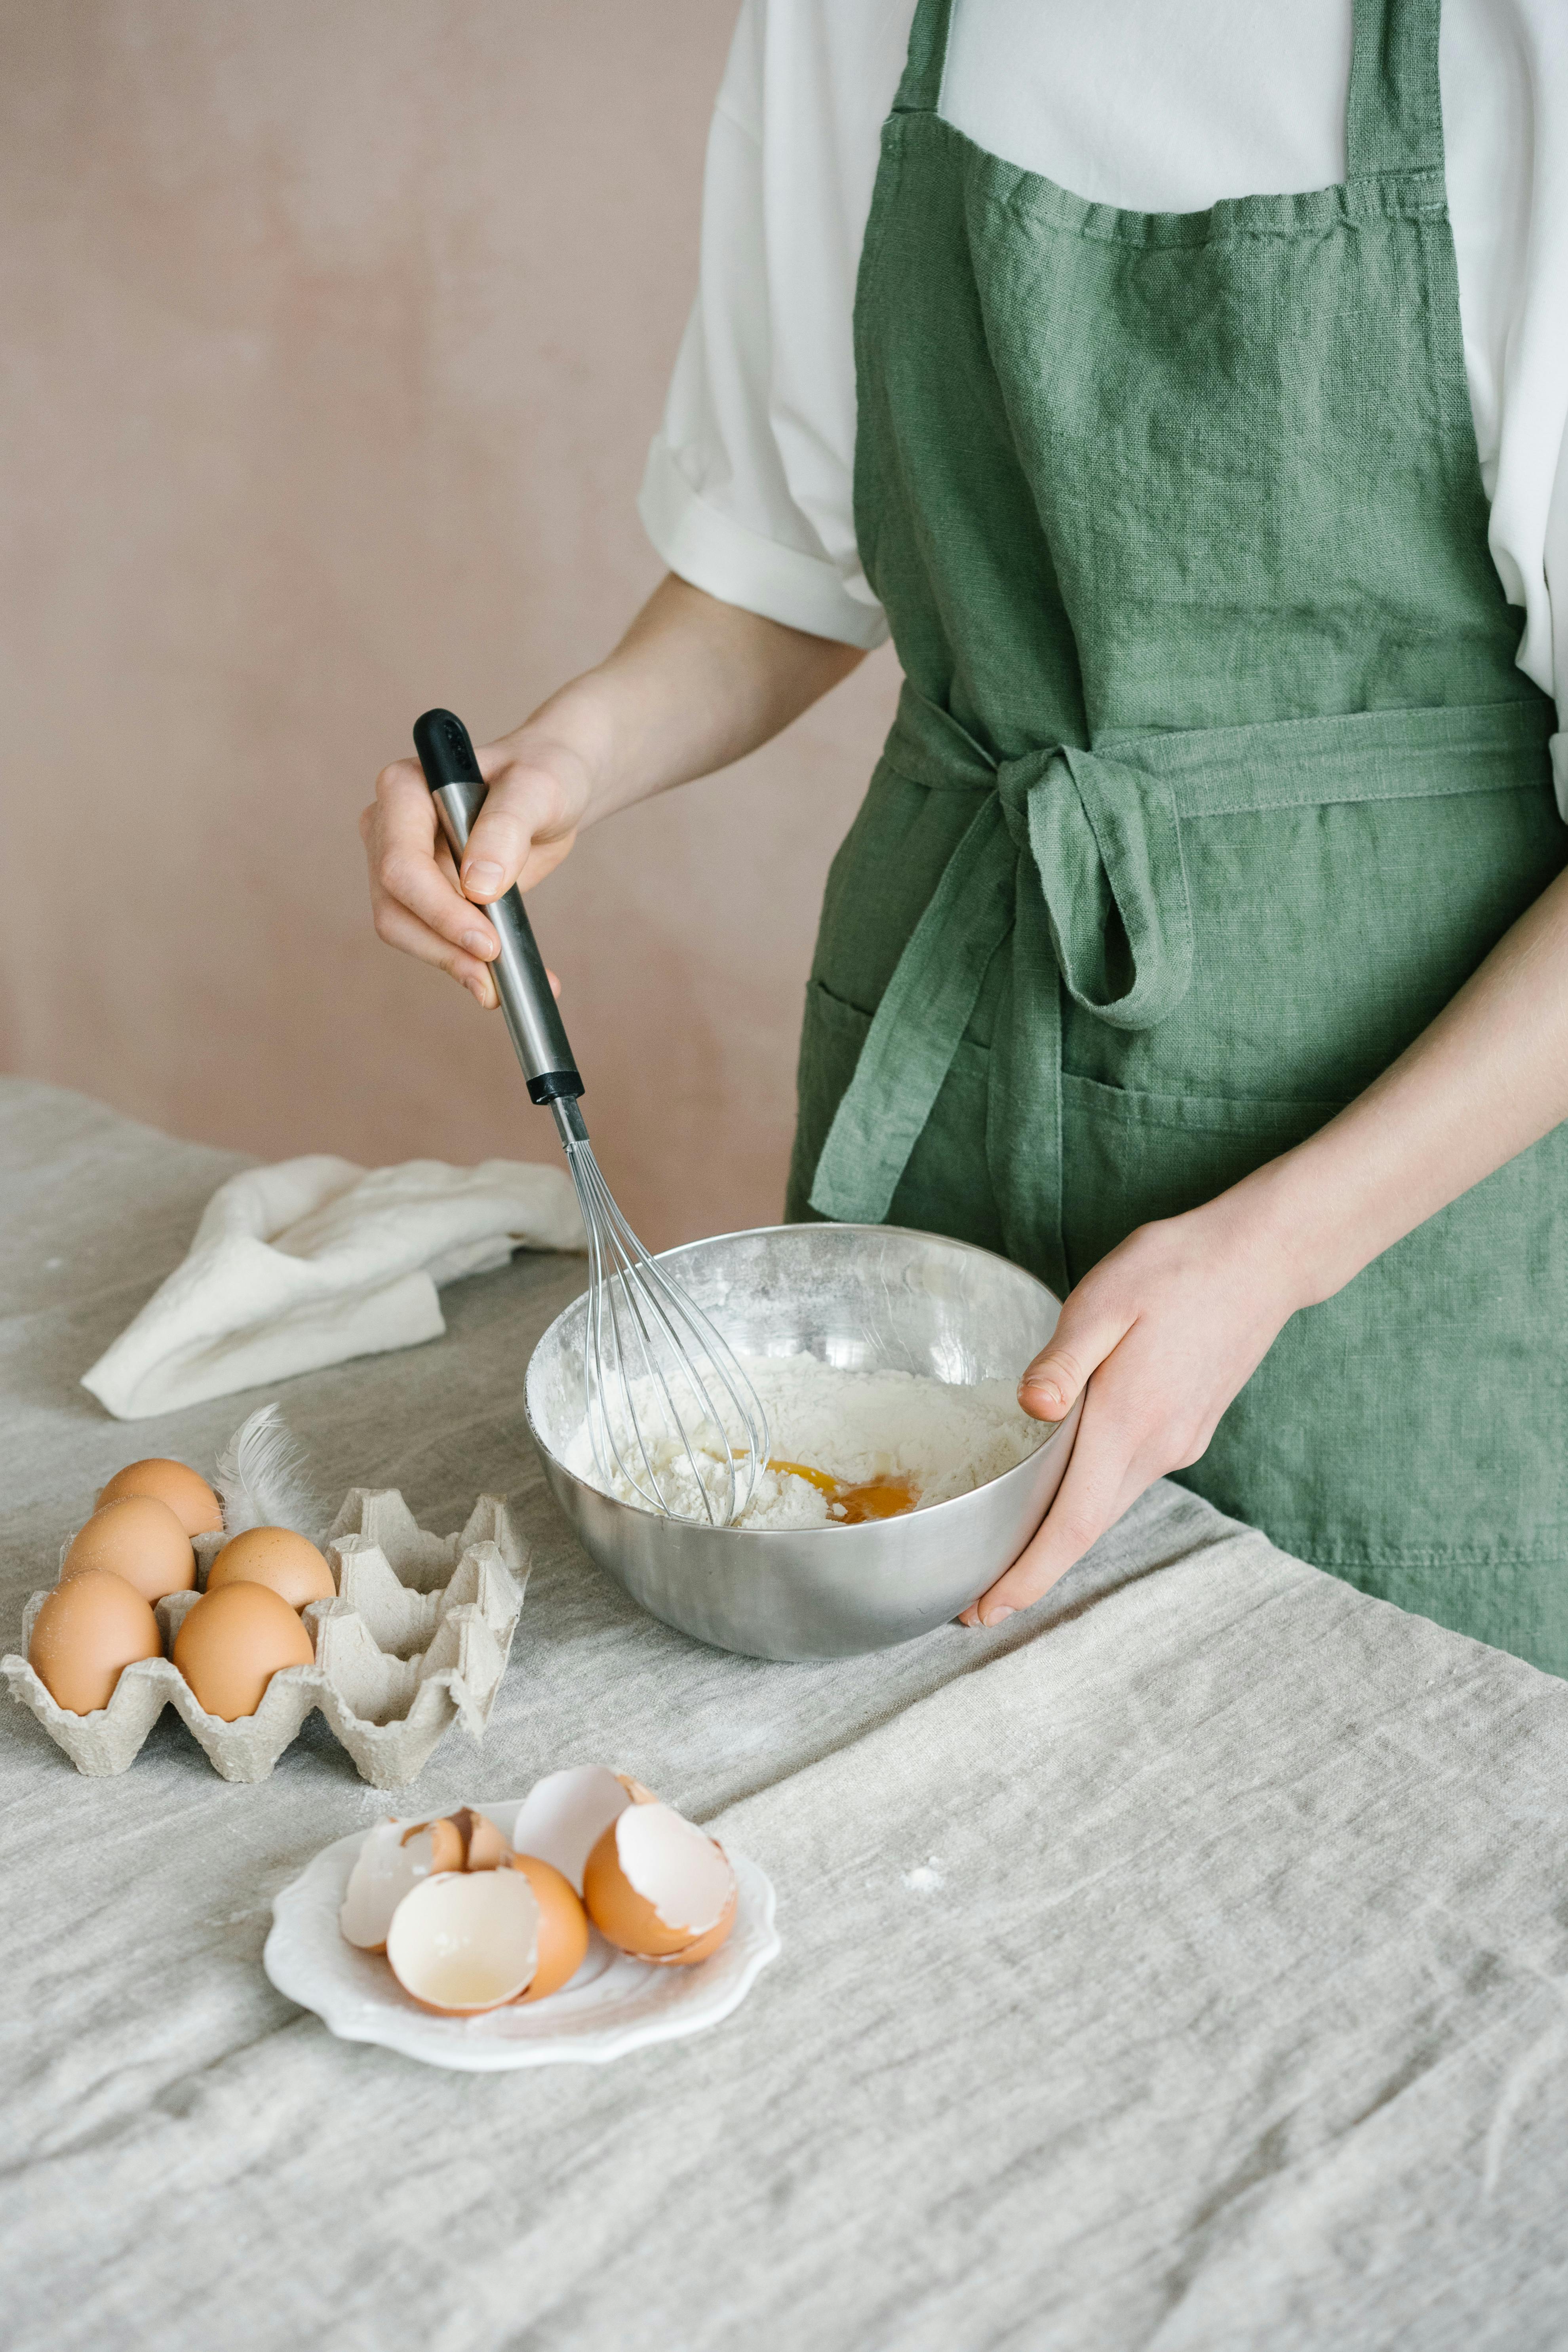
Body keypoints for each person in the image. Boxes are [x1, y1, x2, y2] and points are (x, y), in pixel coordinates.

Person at [363, 0, 1568, 1669]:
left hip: (1410, 1185)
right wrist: (573, 753)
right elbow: (791, 560)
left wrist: (1275, 1250)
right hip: (962, 1065)